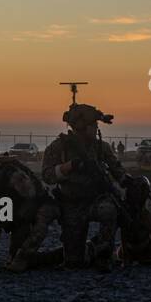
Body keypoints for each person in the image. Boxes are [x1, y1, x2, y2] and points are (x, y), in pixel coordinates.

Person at [41, 103, 125, 272]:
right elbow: (47, 176)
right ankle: (90, 250)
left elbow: (118, 171)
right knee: (73, 263)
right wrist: (69, 167)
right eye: (93, 125)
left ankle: (103, 253)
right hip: (71, 204)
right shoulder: (59, 147)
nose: (95, 129)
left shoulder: (101, 147)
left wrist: (130, 182)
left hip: (96, 201)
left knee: (109, 210)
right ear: (81, 127)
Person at [0, 155, 62, 273]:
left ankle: (25, 257)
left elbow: (32, 198)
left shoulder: (14, 176)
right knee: (16, 253)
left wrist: (9, 220)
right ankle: (37, 257)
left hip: (43, 202)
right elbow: (4, 222)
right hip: (21, 208)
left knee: (39, 223)